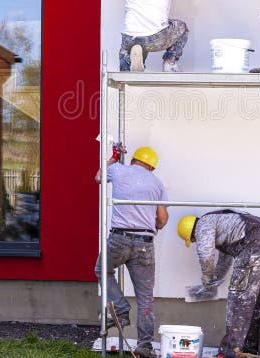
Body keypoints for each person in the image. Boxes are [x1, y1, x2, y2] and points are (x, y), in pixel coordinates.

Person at [177, 210, 260, 358]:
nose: (196, 241)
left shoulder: (203, 224)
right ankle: (249, 350)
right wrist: (214, 280)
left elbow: (205, 253)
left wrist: (207, 277)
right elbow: (225, 260)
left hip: (255, 244)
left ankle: (229, 352)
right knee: (258, 301)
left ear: (192, 233)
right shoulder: (224, 225)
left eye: (194, 240)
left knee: (239, 300)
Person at [95, 144, 169, 358]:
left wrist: (112, 159)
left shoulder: (119, 169)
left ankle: (120, 308)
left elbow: (99, 178)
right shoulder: (157, 183)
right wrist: (151, 223)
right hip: (145, 242)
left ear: (135, 160)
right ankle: (145, 347)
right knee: (145, 297)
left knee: (102, 269)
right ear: (151, 167)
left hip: (120, 238)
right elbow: (162, 220)